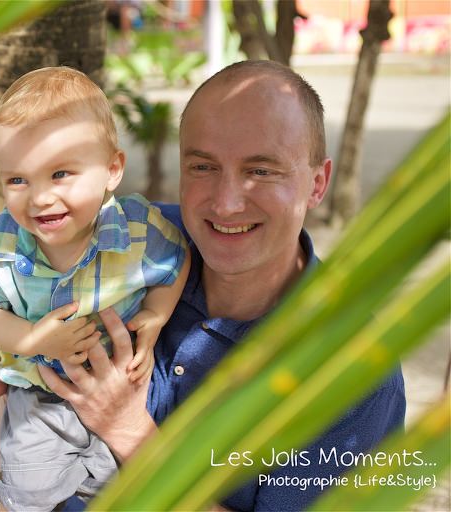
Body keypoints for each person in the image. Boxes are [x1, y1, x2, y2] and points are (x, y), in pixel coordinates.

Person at [32, 60, 406, 510]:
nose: (226, 204)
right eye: (203, 167)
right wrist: (19, 383)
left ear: (317, 184)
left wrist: (130, 432)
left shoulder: (353, 368)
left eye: (262, 171)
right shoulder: (137, 238)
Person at [0, 66, 190, 511]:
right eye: (17, 179)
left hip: (123, 389)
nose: (39, 197)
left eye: (60, 173)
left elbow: (176, 261)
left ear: (112, 170)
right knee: (28, 495)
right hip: (39, 397)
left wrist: (156, 314)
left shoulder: (140, 230)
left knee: (123, 491)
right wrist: (31, 338)